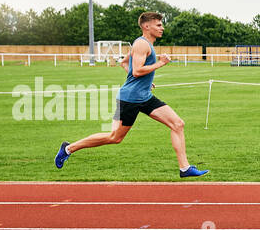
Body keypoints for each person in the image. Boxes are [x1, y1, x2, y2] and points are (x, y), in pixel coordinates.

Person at [54, 11, 208, 177]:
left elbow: (124, 63)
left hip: (144, 96)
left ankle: (184, 168)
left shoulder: (144, 44)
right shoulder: (142, 44)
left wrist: (146, 81)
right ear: (146, 26)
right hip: (130, 99)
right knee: (115, 137)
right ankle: (68, 148)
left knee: (177, 124)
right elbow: (137, 71)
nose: (162, 28)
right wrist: (160, 64)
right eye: (158, 25)